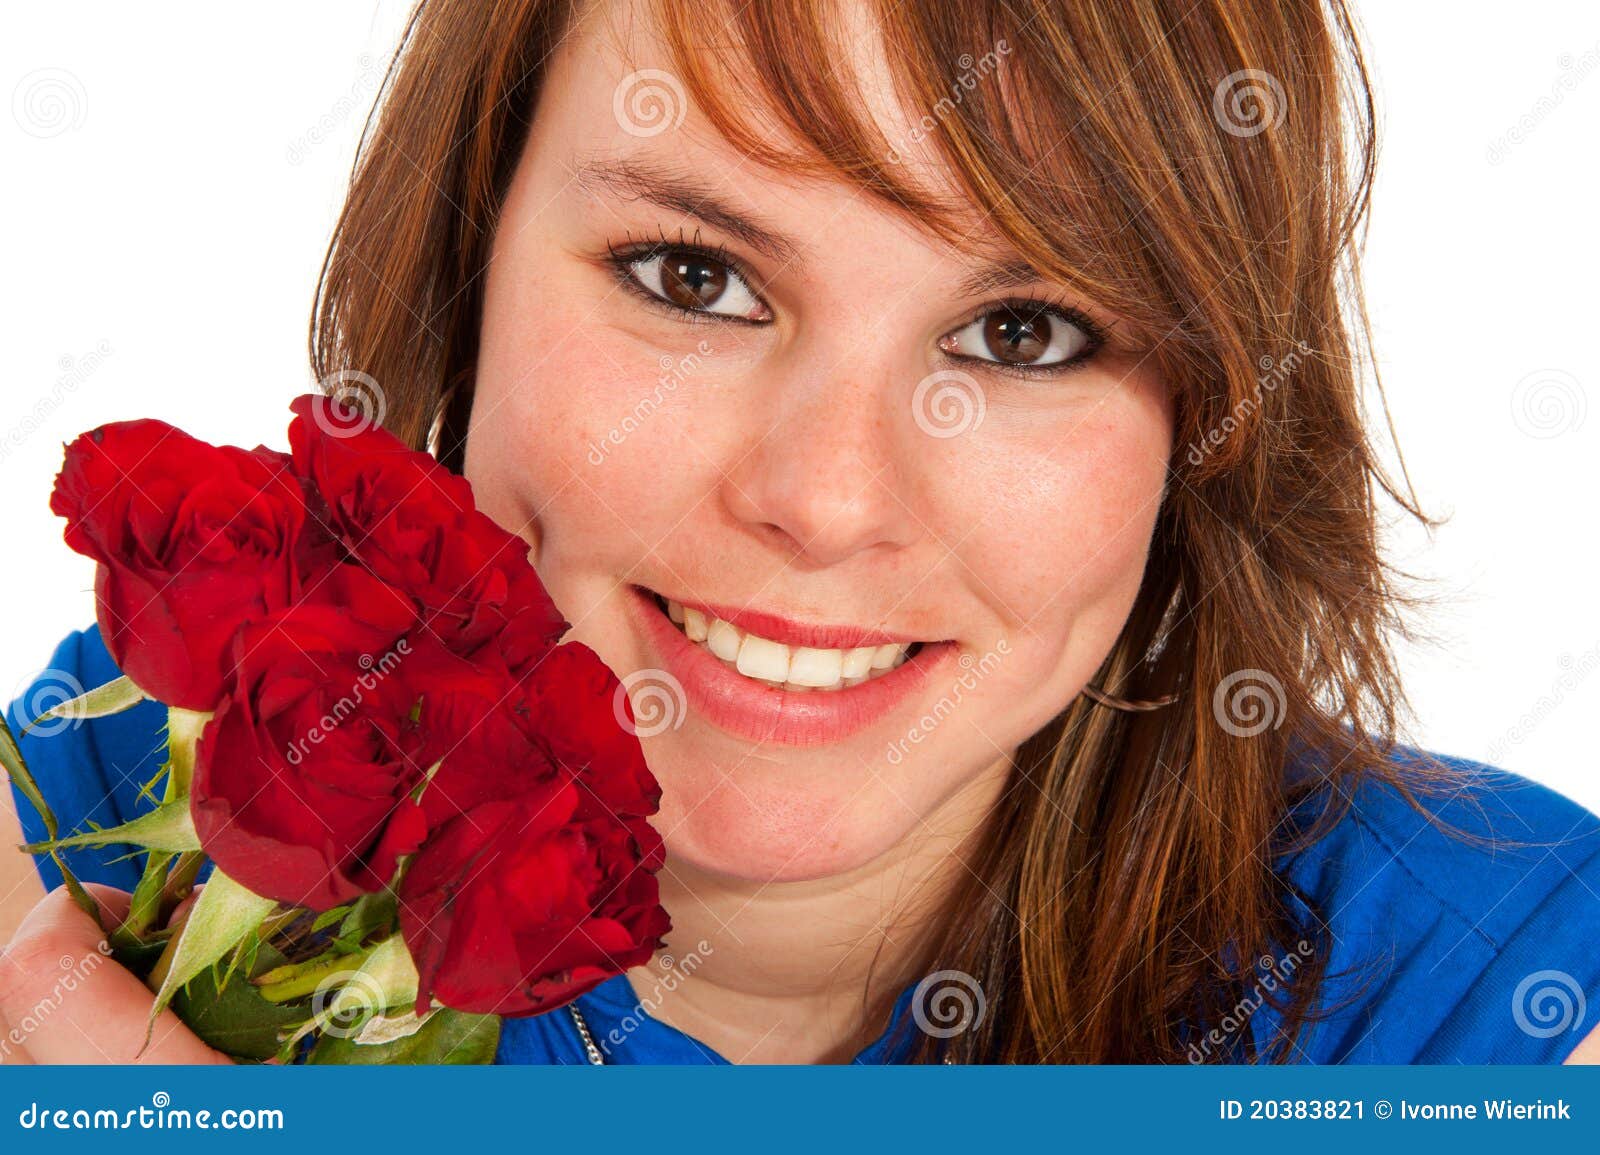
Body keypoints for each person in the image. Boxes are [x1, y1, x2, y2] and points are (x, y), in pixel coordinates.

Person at [4, 0, 1599, 1065]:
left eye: (1026, 335)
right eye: (695, 276)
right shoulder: (107, 824)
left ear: (1206, 427)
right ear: (464, 263)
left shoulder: (1484, 998)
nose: (827, 501)